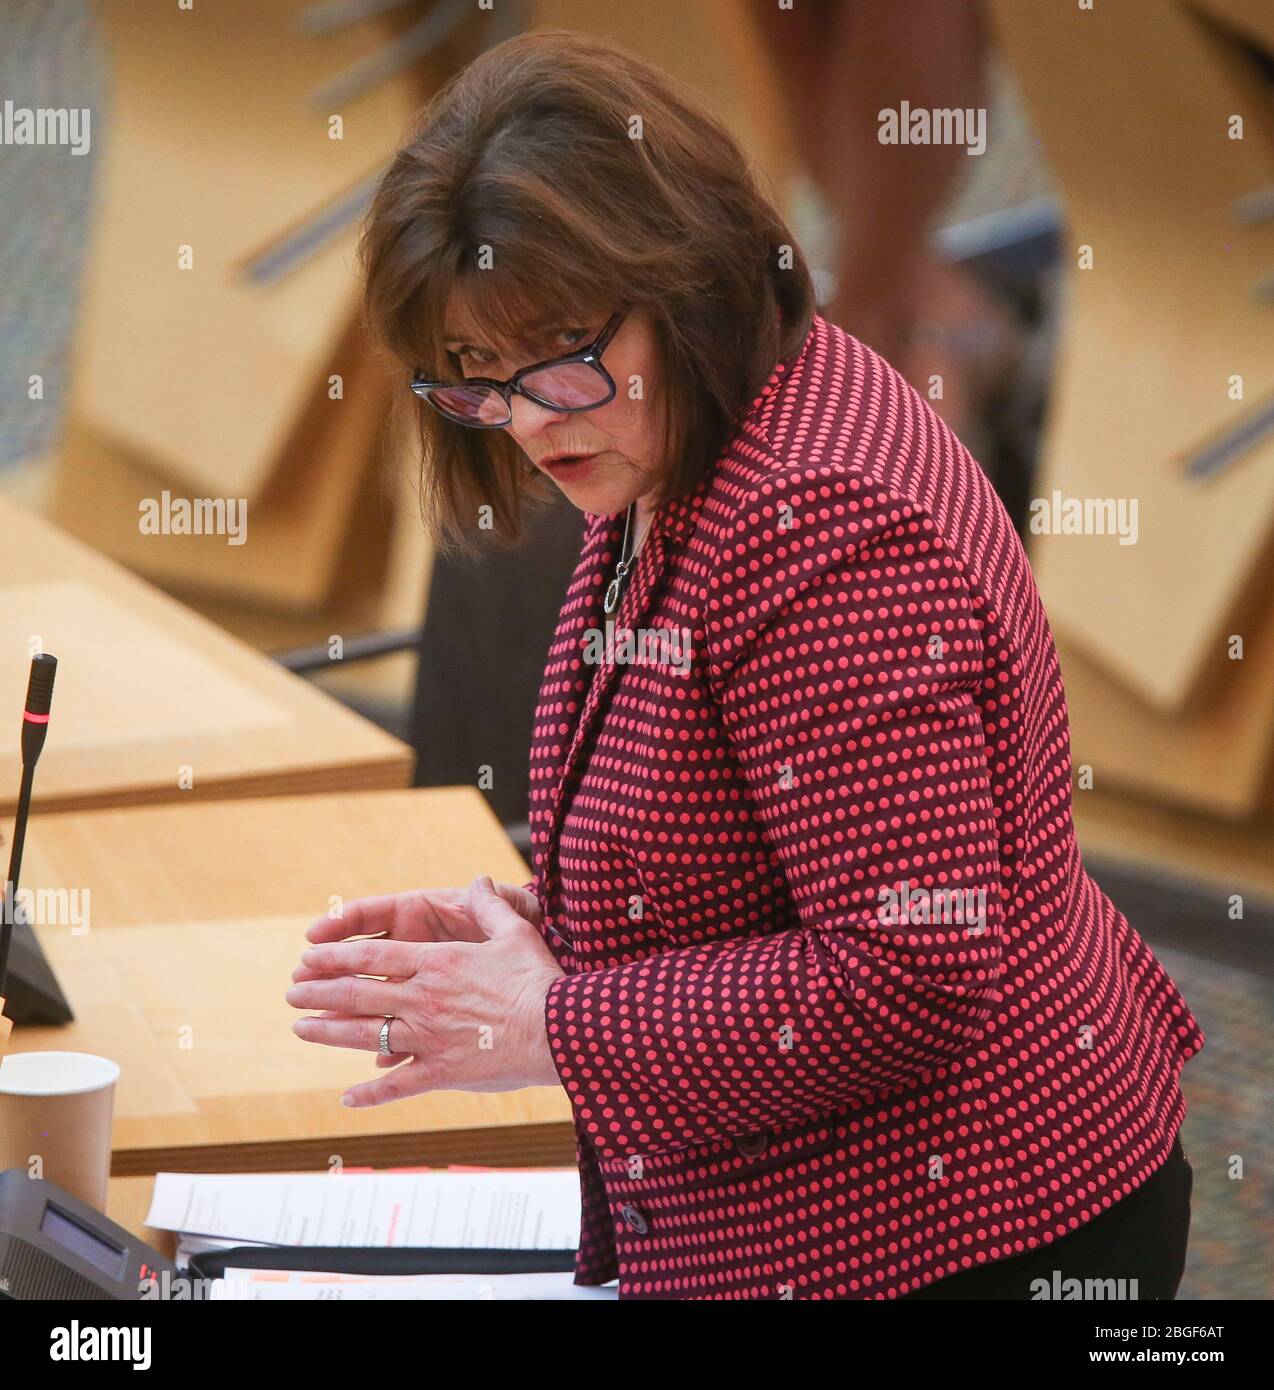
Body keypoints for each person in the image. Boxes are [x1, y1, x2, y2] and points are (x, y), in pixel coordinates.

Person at [285, 29, 1205, 1300]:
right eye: (477, 377)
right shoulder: (697, 417)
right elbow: (775, 839)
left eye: (559, 349)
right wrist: (536, 936)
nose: (535, 419)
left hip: (967, 1239)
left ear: (676, 270)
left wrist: (545, 1020)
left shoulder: (816, 524)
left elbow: (909, 971)